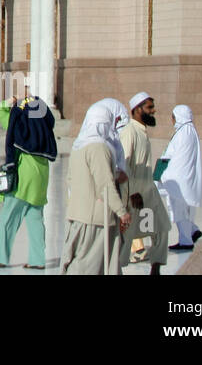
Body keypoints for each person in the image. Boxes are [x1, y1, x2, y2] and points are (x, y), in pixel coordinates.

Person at [0, 95, 56, 270]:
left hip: (23, 179)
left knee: (9, 218)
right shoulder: (45, 131)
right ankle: (37, 260)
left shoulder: (19, 125)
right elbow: (50, 118)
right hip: (41, 179)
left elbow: (0, 111)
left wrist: (12, 102)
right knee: (35, 219)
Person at [61, 99, 131, 275]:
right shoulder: (99, 147)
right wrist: (122, 212)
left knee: (83, 261)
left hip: (79, 215)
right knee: (88, 266)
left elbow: (73, 179)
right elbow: (105, 184)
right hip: (96, 219)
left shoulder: (78, 146)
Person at [118, 92, 169, 273]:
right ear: (137, 109)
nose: (153, 111)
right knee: (127, 236)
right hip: (134, 196)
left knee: (162, 227)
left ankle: (155, 269)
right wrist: (132, 192)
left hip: (149, 193)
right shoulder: (129, 132)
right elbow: (123, 165)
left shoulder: (142, 132)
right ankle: (117, 270)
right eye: (149, 107)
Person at [162, 105, 202, 251]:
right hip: (187, 178)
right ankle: (192, 231)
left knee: (179, 209)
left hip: (178, 179)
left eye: (173, 117)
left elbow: (169, 155)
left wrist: (161, 174)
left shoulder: (181, 133)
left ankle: (186, 241)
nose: (172, 120)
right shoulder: (190, 130)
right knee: (183, 209)